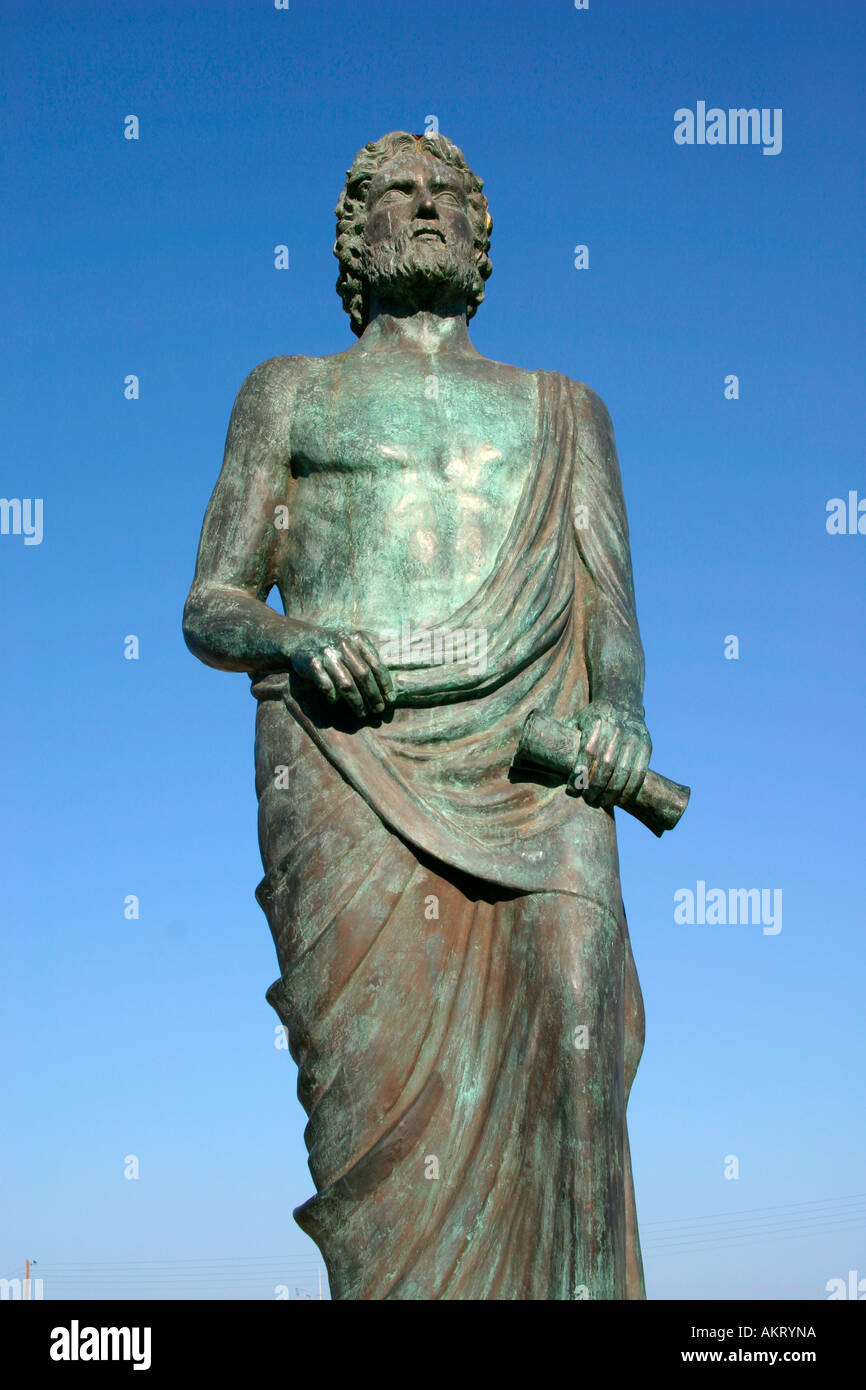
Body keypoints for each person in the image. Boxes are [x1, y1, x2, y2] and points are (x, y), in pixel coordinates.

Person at [183, 131, 651, 1300]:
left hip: (542, 776)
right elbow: (211, 602)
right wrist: (297, 641)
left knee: (575, 1054)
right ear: (354, 237)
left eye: (451, 194)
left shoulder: (564, 411)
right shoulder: (288, 391)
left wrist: (623, 719)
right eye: (398, 192)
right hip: (347, 763)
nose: (428, 206)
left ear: (484, 241)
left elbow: (609, 619)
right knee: (380, 1111)